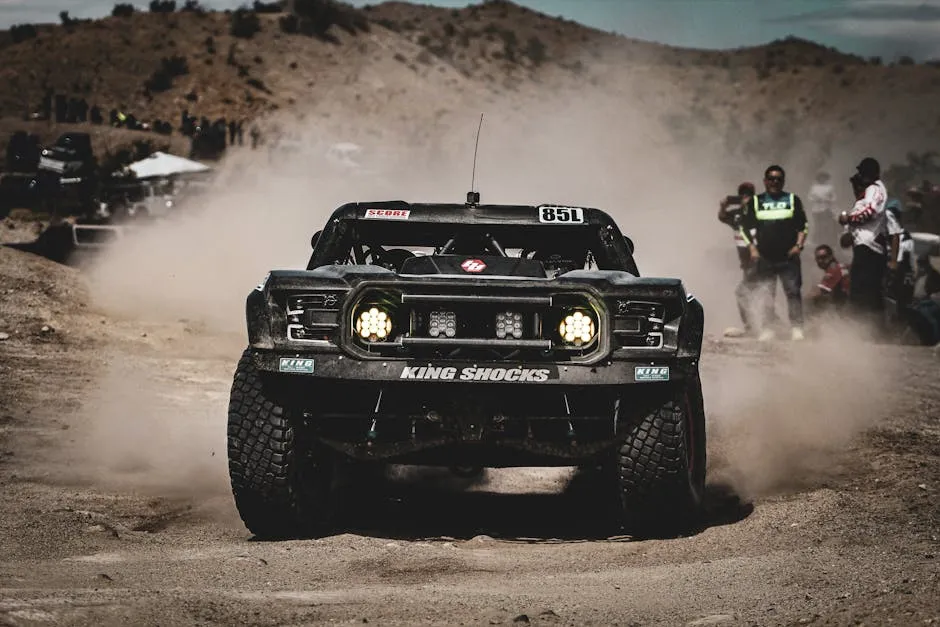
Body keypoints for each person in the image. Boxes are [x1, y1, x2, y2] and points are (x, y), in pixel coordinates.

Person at [739, 164, 809, 341]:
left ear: (783, 181)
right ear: (765, 181)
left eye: (778, 179)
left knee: (793, 292)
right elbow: (744, 228)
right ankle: (768, 328)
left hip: (788, 256)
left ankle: (797, 328)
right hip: (765, 256)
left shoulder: (793, 200)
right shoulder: (756, 202)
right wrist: (753, 249)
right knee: (767, 293)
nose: (774, 182)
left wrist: (799, 246)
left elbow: (803, 225)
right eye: (771, 178)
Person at [838, 157, 888, 330]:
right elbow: (846, 238)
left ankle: (877, 330)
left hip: (871, 247)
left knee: (870, 290)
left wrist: (848, 218)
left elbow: (871, 211)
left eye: (863, 173)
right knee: (858, 289)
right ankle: (860, 329)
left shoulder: (876, 188)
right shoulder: (859, 201)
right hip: (861, 248)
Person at [718, 182, 768, 336]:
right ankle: (766, 325)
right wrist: (723, 206)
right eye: (742, 194)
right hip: (746, 263)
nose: (745, 197)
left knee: (744, 292)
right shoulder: (737, 214)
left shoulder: (759, 212)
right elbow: (722, 217)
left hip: (759, 259)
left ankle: (756, 327)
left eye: (748, 194)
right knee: (757, 292)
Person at [807, 244, 850, 313]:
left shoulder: (833, 269)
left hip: (851, 306)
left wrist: (799, 303)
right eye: (818, 258)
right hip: (852, 301)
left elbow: (818, 292)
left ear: (831, 257)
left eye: (823, 257)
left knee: (814, 300)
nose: (820, 261)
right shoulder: (841, 266)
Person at [807, 171, 837, 247]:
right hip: (816, 209)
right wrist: (815, 199)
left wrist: (827, 200)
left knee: (826, 224)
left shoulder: (830, 187)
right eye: (820, 178)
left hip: (826, 209)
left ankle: (826, 240)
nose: (822, 179)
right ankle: (816, 240)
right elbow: (809, 197)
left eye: (824, 178)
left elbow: (834, 198)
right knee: (817, 225)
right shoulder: (814, 187)